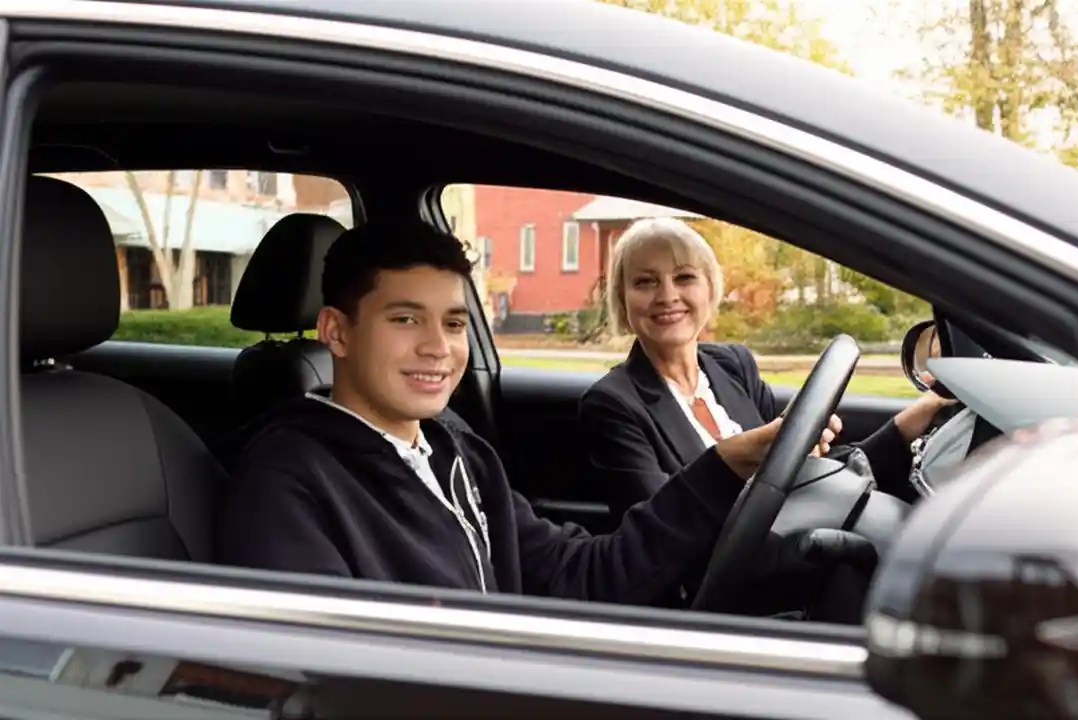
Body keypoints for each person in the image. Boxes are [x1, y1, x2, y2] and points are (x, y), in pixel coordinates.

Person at [216, 219, 833, 607]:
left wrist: (722, 466)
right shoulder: (285, 480)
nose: (439, 347)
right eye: (405, 319)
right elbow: (321, 680)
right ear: (337, 332)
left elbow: (582, 574)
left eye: (455, 323)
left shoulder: (454, 451)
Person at [579, 218, 951, 517]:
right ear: (622, 301)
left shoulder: (733, 365)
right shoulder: (612, 404)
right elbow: (657, 534)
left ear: (710, 290)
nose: (667, 295)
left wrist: (916, 418)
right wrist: (741, 461)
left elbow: (797, 473)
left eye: (684, 277)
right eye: (645, 282)